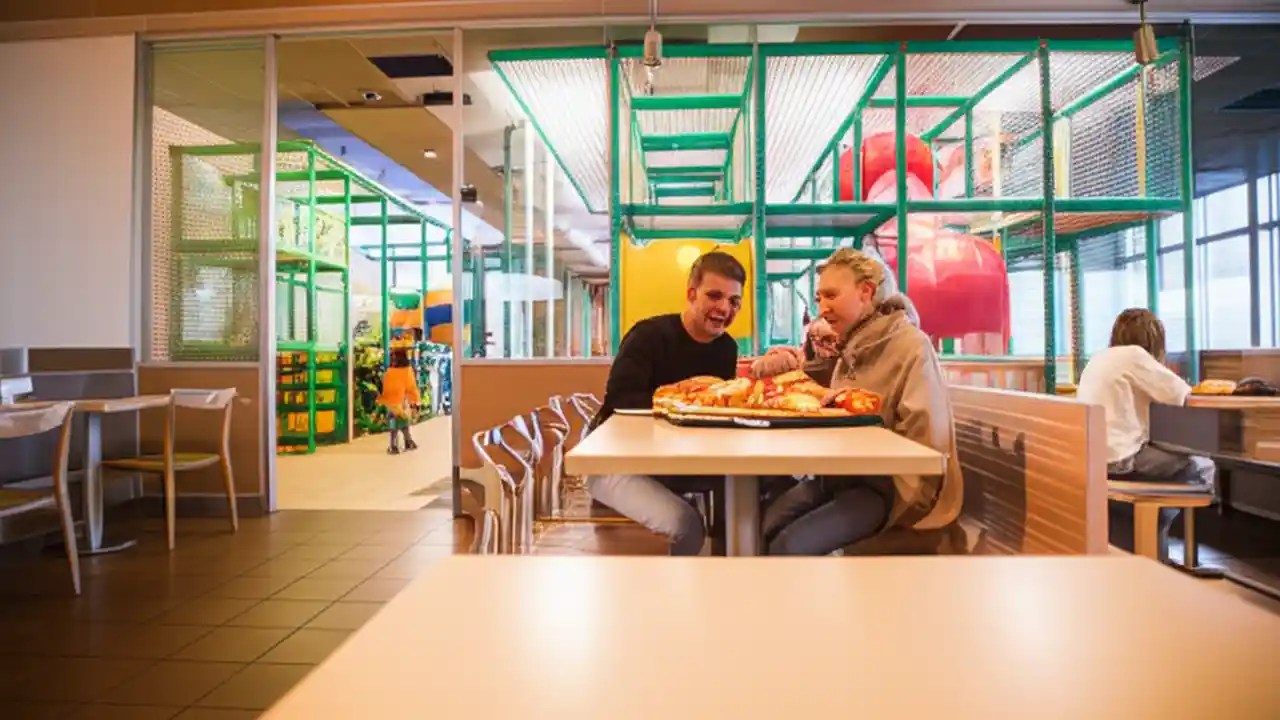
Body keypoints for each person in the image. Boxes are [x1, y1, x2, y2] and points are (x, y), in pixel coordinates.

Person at [751, 247, 963, 556]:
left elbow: (928, 442)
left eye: (831, 296)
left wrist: (905, 510)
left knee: (788, 544)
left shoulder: (910, 347)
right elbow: (816, 380)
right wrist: (786, 360)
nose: (822, 308)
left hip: (884, 488)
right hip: (841, 476)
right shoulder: (853, 345)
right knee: (763, 522)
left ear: (866, 292)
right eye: (819, 297)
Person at [586, 250, 746, 556]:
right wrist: (684, 398)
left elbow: (715, 411)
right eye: (714, 296)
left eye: (734, 301)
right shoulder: (648, 336)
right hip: (615, 463)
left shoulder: (726, 348)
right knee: (686, 524)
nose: (724, 308)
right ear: (691, 294)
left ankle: (728, 583)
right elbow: (622, 399)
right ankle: (671, 599)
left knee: (743, 498)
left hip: (673, 462)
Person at [1076, 308, 1215, 559]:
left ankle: (1150, 539)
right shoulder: (1135, 356)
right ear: (1154, 341)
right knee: (1203, 465)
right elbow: (1182, 394)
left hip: (1093, 459)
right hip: (1122, 460)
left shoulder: (1100, 358)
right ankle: (1155, 540)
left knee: (1177, 468)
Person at [379, 348, 421, 455]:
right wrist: (414, 402)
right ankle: (407, 442)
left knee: (396, 423)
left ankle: (395, 445)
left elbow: (387, 386)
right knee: (401, 422)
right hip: (401, 401)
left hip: (394, 402)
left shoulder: (391, 371)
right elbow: (412, 388)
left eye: (394, 356)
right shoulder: (407, 371)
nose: (393, 358)